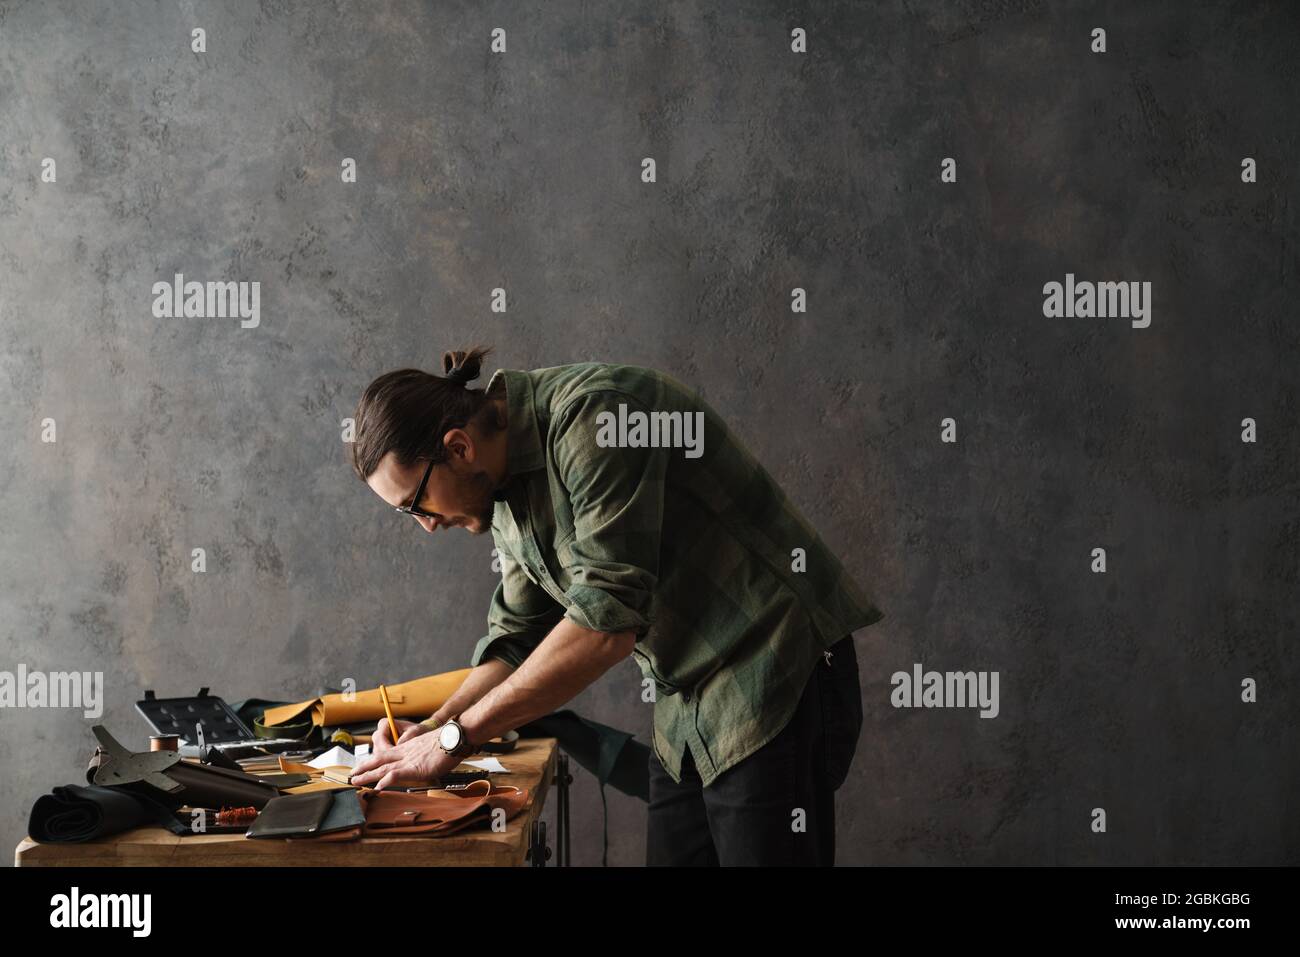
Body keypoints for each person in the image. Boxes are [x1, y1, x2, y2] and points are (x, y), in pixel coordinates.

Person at [348, 346, 884, 865]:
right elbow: (516, 639)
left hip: (774, 671)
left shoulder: (598, 416)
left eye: (415, 504)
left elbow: (604, 625)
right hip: (687, 703)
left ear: (459, 448)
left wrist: (455, 740)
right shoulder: (506, 491)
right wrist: (430, 730)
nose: (425, 525)